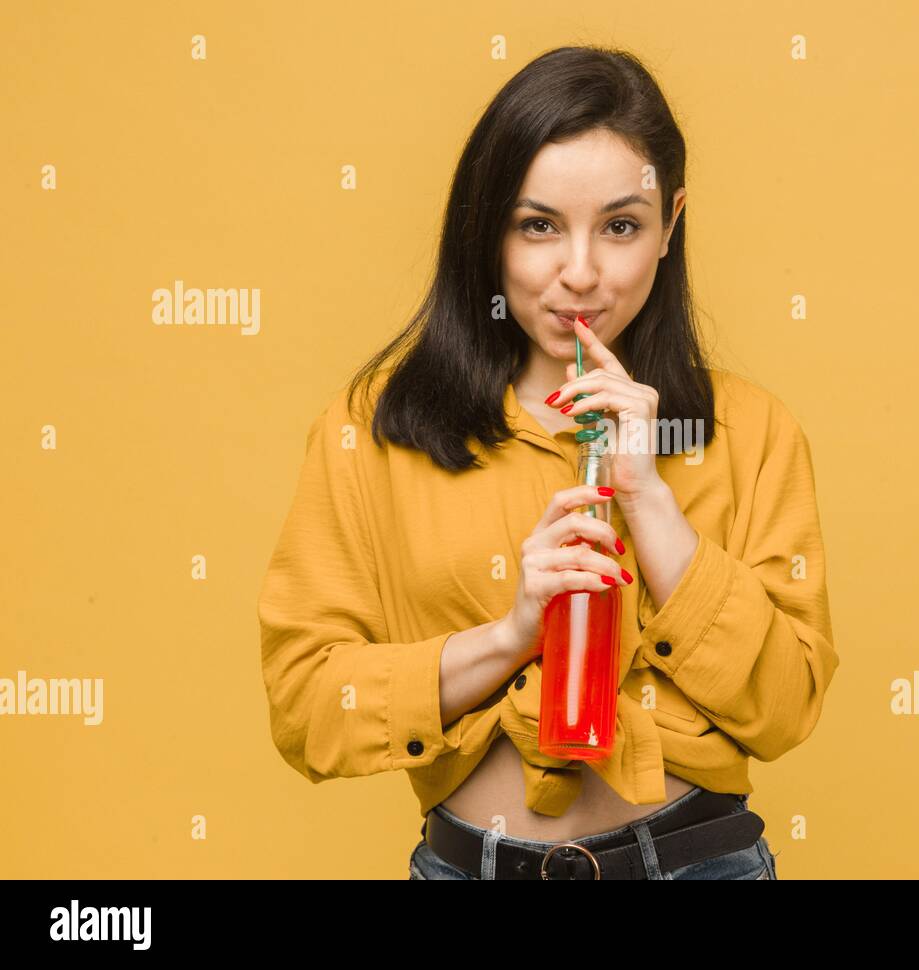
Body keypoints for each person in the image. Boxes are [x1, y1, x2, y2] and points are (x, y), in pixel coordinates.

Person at [257, 45, 837, 880]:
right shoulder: (371, 430)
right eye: (538, 226)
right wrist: (509, 638)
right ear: (486, 229)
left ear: (670, 225)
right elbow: (308, 707)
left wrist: (651, 503)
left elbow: (785, 709)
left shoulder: (750, 431)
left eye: (621, 226)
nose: (580, 274)